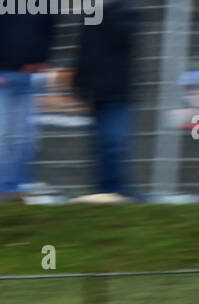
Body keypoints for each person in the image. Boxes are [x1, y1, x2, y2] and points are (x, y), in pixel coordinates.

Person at [74, 0, 139, 201]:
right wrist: (81, 84)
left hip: (117, 90)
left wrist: (106, 9)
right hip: (96, 92)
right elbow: (85, 49)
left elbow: (123, 37)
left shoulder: (126, 11)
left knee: (114, 143)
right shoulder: (93, 13)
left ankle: (118, 189)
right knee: (102, 144)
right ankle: (105, 189)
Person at [0, 7, 56, 201]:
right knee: (5, 135)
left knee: (25, 137)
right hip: (4, 76)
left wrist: (43, 60)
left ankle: (17, 187)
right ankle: (6, 187)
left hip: (29, 76)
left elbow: (49, 25)